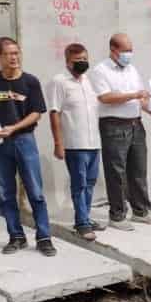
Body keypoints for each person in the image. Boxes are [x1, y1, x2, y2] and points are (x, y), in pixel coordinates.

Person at [0, 37, 56, 256]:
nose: (14, 57)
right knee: (5, 193)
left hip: (24, 141)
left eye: (16, 53)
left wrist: (14, 128)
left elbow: (36, 113)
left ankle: (44, 237)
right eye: (8, 54)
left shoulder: (30, 81)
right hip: (0, 144)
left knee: (35, 191)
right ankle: (16, 236)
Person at [90, 33, 151, 230]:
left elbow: (141, 97)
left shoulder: (132, 69)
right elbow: (105, 97)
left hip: (135, 124)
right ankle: (117, 215)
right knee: (116, 172)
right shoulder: (100, 71)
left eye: (130, 50)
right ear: (113, 50)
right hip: (113, 126)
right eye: (125, 51)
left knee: (138, 169)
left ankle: (140, 211)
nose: (128, 54)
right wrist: (134, 95)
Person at [48, 43, 105, 240]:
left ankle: (85, 217)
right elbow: (54, 113)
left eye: (84, 60)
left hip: (94, 142)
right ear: (67, 62)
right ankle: (81, 223)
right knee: (79, 184)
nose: (82, 63)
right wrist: (58, 143)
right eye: (77, 61)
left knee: (90, 183)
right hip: (74, 143)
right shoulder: (59, 81)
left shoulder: (90, 81)